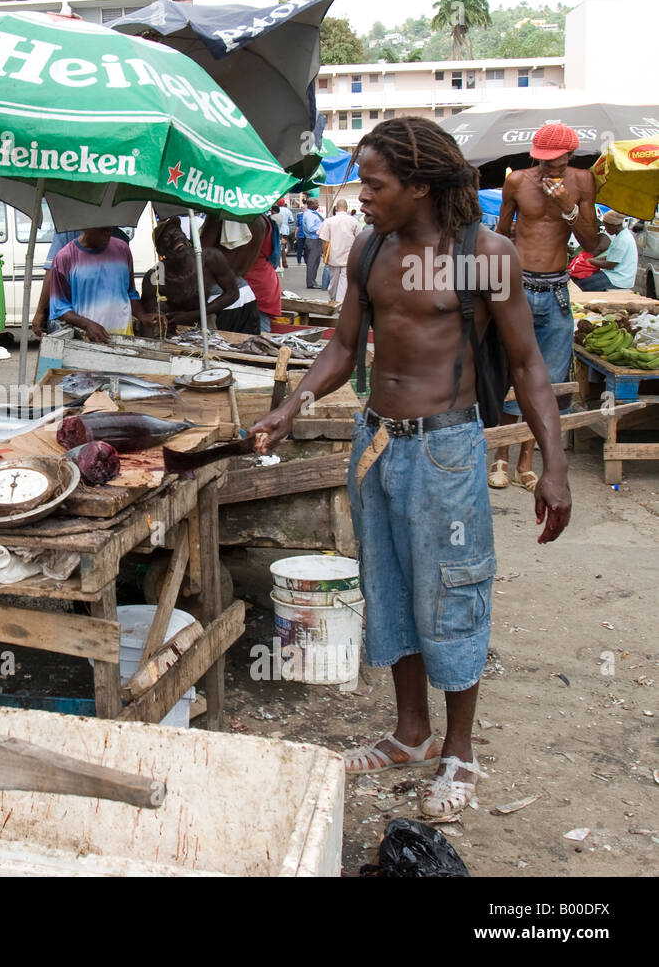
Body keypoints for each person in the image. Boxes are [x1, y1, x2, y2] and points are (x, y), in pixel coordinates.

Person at [249, 118, 570, 821]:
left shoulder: (485, 256)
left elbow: (527, 365)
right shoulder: (369, 248)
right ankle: (409, 733)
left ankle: (459, 753)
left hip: (446, 451)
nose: (361, 196)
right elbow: (340, 346)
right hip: (377, 445)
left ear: (420, 184)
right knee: (388, 589)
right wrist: (293, 404)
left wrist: (553, 465)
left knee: (450, 596)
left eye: (375, 184)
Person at [491, 122, 605, 492]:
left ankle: (527, 460)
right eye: (543, 161)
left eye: (556, 163)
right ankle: (500, 457)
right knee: (510, 372)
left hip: (556, 290)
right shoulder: (518, 181)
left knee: (549, 381)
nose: (548, 169)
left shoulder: (583, 182)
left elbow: (592, 243)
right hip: (518, 286)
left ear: (570, 156)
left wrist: (566, 206)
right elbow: (500, 236)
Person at [142, 217, 252, 334]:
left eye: (177, 233)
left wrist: (193, 315)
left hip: (205, 318)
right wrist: (161, 320)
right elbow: (150, 310)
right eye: (166, 238)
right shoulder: (156, 275)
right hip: (174, 323)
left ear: (186, 238)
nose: (175, 238)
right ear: (161, 251)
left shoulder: (209, 258)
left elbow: (232, 293)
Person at [46, 226, 155, 343]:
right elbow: (59, 307)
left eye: (109, 225)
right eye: (101, 227)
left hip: (124, 339)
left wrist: (143, 316)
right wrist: (87, 325)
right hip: (87, 341)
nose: (108, 231)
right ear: (85, 226)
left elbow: (130, 293)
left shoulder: (123, 249)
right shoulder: (65, 258)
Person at [581, 210, 637, 291]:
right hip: (616, 276)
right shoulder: (622, 235)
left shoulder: (622, 240)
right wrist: (592, 260)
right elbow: (611, 256)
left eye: (607, 226)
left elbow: (610, 264)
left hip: (619, 279)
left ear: (614, 225)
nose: (606, 229)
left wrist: (590, 261)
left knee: (582, 284)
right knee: (587, 279)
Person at [318, 199, 360, 303]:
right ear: (347, 208)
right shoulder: (354, 221)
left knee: (333, 281)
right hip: (349, 256)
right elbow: (359, 238)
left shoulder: (329, 221)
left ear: (336, 208)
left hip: (333, 255)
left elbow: (324, 240)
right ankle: (340, 302)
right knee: (344, 281)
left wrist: (324, 255)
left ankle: (335, 300)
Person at [299, 197, 325, 289]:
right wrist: (321, 227)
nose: (318, 205)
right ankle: (311, 283)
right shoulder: (309, 215)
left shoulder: (313, 213)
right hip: (313, 240)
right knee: (312, 262)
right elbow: (310, 228)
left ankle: (313, 281)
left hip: (316, 239)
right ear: (310, 205)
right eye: (316, 203)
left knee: (316, 262)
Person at [276, 199, 294, 269]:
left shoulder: (275, 210)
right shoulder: (287, 211)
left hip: (277, 230)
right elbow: (291, 221)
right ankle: (284, 262)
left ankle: (278, 263)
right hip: (285, 231)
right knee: (283, 246)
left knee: (276, 246)